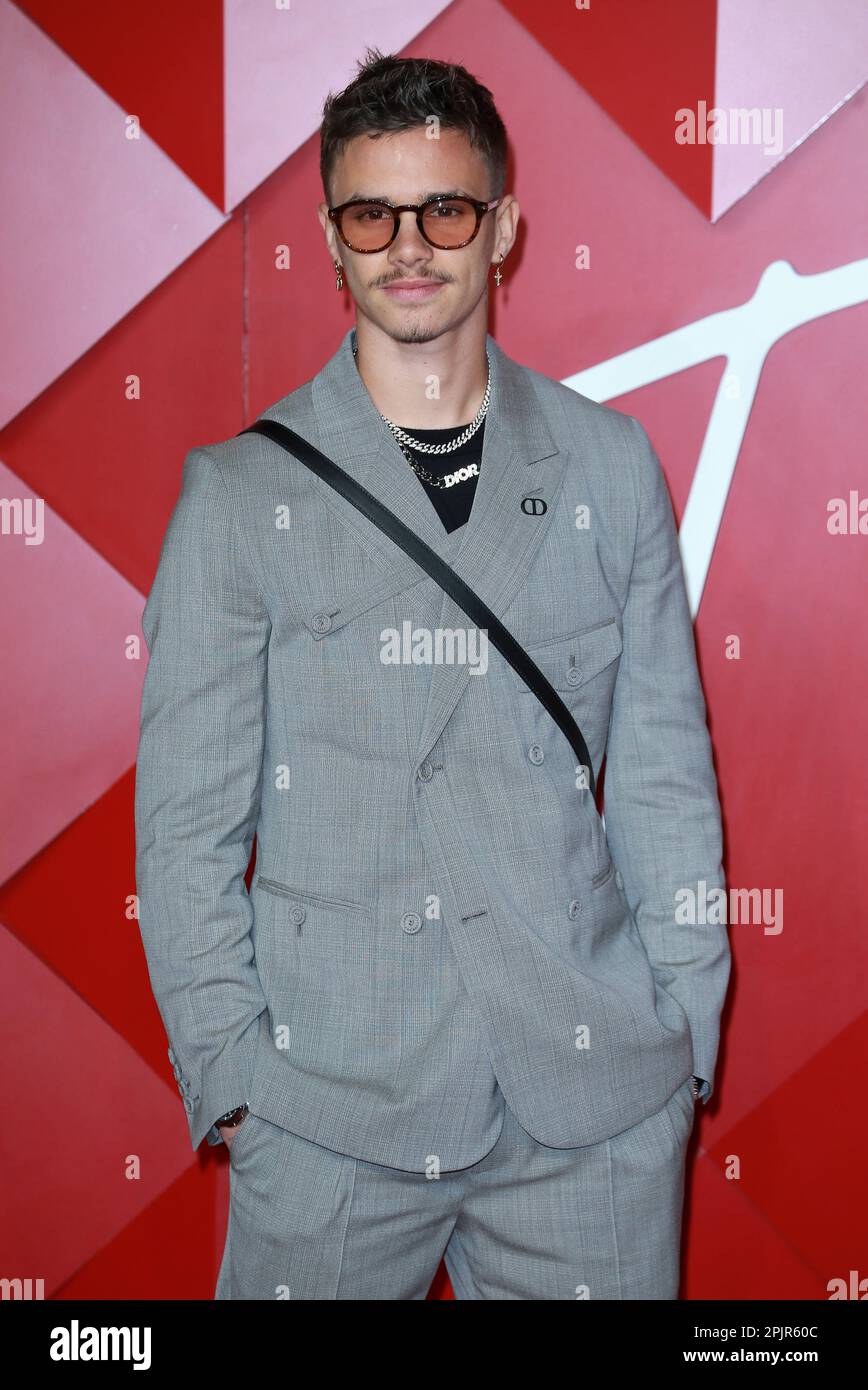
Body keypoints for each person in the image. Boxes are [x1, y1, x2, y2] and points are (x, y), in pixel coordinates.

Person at [134, 48, 730, 1300]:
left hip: (591, 1111)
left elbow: (668, 783)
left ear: (502, 228)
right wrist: (239, 1080)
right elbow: (186, 827)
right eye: (372, 214)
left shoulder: (610, 468)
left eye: (445, 210)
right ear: (332, 239)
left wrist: (679, 1039)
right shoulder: (241, 497)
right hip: (329, 1109)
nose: (410, 245)